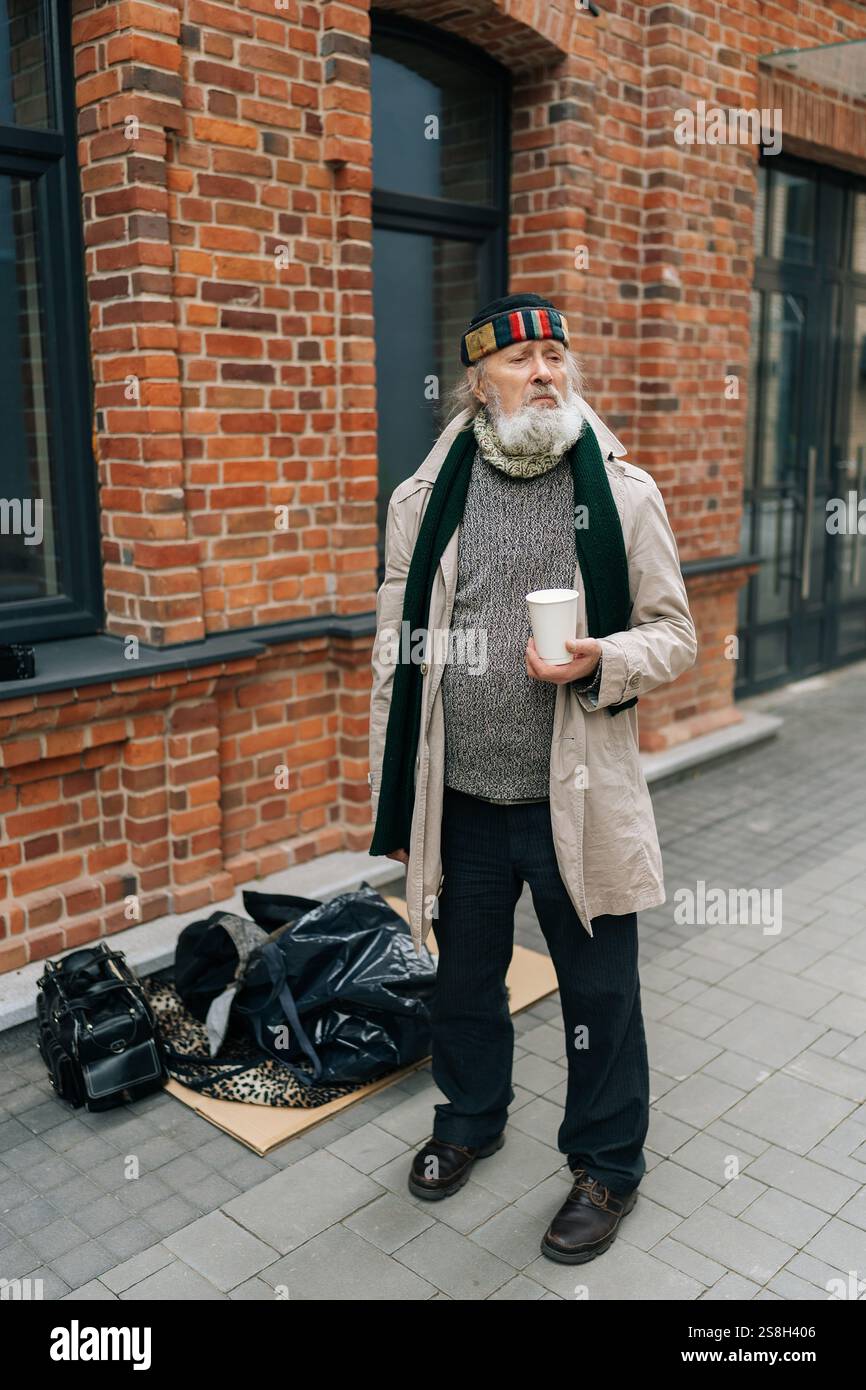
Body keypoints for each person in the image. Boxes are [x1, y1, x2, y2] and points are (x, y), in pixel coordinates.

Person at [367, 293, 698, 1263]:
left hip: (576, 797)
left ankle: (605, 1165)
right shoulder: (423, 502)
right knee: (463, 981)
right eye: (520, 361)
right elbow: (399, 655)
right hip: (462, 799)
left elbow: (672, 635)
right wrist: (398, 791)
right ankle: (468, 1116)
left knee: (601, 993)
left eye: (555, 354)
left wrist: (599, 660)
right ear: (479, 385)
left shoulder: (623, 492)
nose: (544, 372)